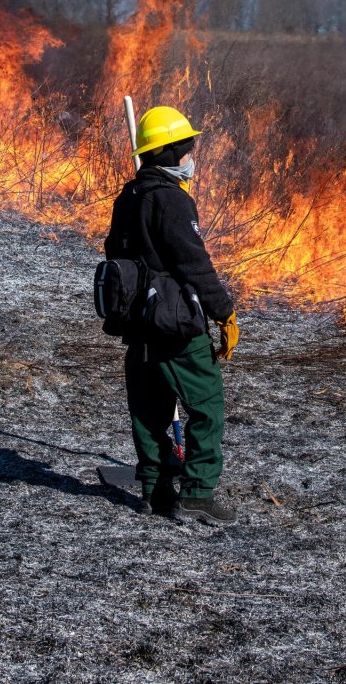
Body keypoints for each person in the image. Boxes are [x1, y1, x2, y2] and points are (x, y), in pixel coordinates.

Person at [104, 106, 240, 525]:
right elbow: (194, 265)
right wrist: (225, 314)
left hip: (137, 325)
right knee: (207, 405)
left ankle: (156, 491)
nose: (190, 156)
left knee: (148, 409)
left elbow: (115, 253)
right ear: (167, 152)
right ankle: (197, 494)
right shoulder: (172, 202)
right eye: (186, 148)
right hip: (175, 325)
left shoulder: (128, 197)